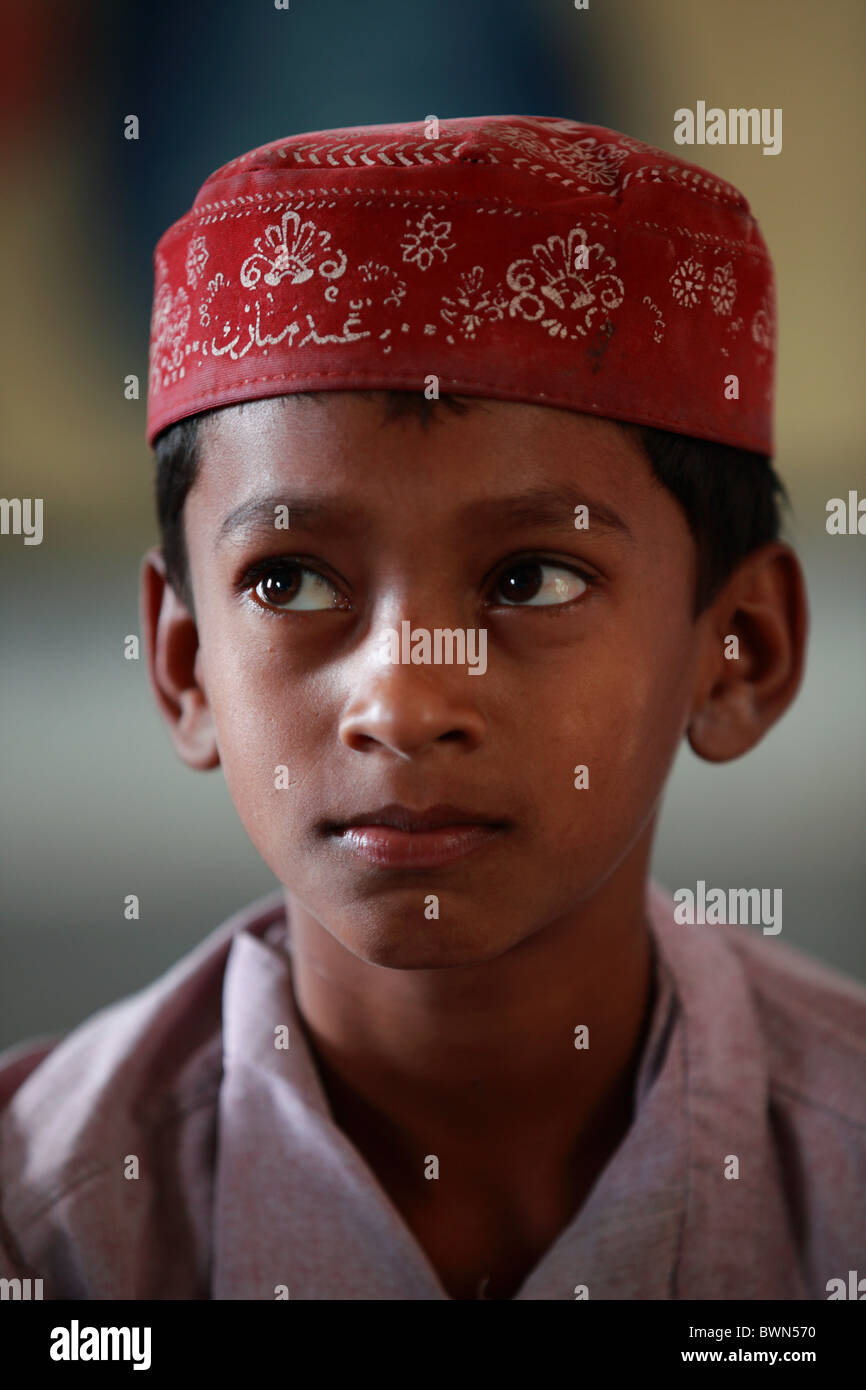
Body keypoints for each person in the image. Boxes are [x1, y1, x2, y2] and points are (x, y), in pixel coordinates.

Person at [1, 115, 863, 1302]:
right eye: (290, 580)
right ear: (184, 663)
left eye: (532, 578)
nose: (401, 703)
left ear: (738, 652)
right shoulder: (42, 1234)